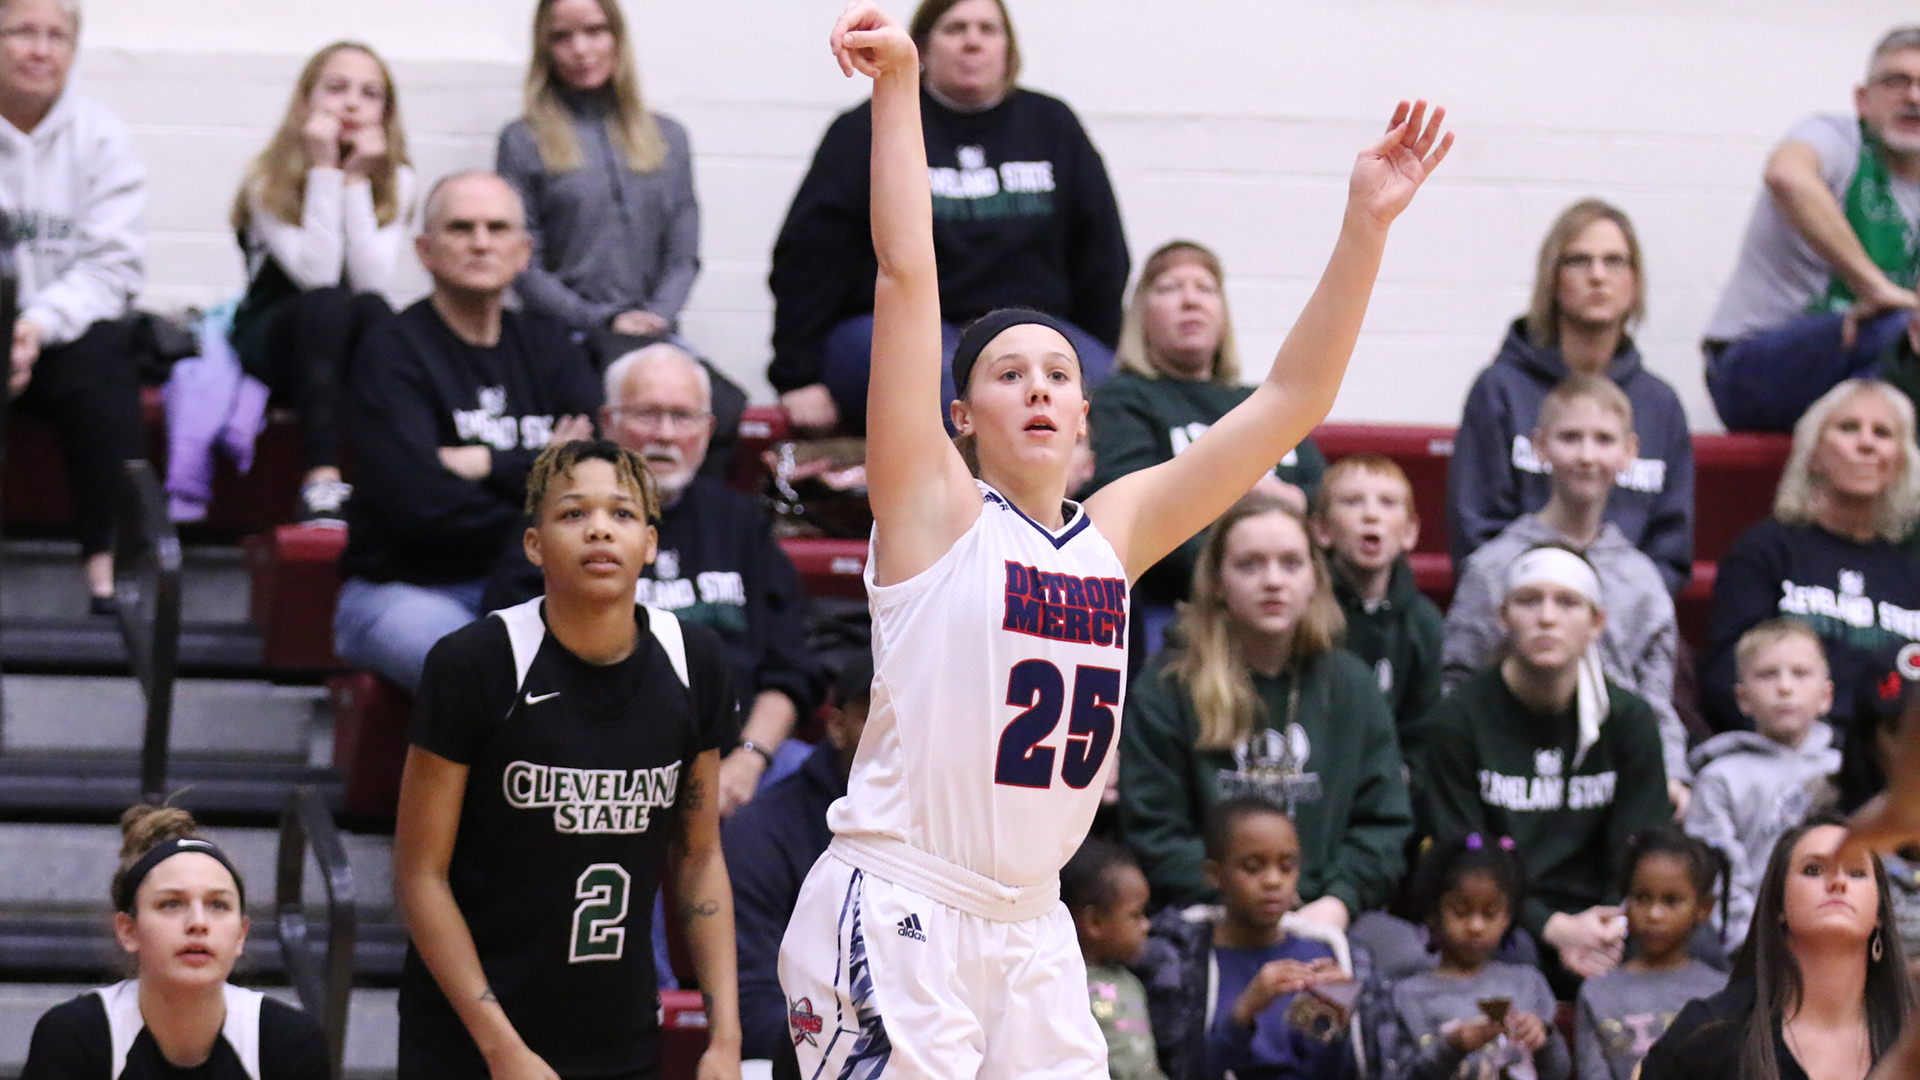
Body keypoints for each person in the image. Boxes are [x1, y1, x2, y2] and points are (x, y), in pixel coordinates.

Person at [775, 5, 1450, 1076]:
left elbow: (1290, 397)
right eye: (1008, 374)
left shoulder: (1117, 533)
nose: (1039, 386)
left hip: (1033, 926)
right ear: (960, 417)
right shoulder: (935, 514)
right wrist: (897, 88)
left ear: (1088, 417)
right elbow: (907, 275)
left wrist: (1365, 227)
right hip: (905, 902)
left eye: (1059, 375)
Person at [392, 440, 741, 1080]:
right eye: (574, 513)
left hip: (619, 1033)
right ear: (533, 545)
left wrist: (725, 1038)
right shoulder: (475, 662)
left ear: (651, 544)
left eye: (623, 514)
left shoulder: (696, 660)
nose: (600, 528)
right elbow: (420, 875)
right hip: (470, 1041)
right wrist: (503, 1050)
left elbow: (698, 856)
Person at [486, 342, 825, 813]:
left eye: (683, 417)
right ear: (608, 423)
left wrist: (748, 761)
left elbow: (791, 667)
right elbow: (515, 663)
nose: (665, 434)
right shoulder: (563, 524)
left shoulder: (740, 522)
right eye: (647, 414)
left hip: (738, 761)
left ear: (708, 431)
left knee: (830, 793)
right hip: (596, 769)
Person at [766, 0, 1131, 434]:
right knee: (955, 389)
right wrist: (798, 375)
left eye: (987, 30)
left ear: (1008, 49)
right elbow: (808, 257)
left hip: (1030, 326)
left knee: (1114, 400)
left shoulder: (1053, 125)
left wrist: (1087, 350)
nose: (973, 42)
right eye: (955, 29)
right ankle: (985, 500)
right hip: (895, 330)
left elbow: (1103, 256)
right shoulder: (867, 128)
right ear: (920, 46)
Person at [332, 171, 600, 693]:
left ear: (523, 252)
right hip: (409, 592)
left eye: (497, 228)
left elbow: (593, 475)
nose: (481, 242)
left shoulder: (554, 349)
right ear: (425, 250)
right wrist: (541, 477)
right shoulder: (391, 352)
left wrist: (486, 464)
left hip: (534, 588)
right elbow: (420, 505)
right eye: (461, 228)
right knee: (494, 677)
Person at [1119, 493, 1413, 924]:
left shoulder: (1352, 685)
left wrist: (1338, 901)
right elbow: (1154, 832)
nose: (1273, 581)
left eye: (1291, 563)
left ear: (1315, 577)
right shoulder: (1167, 687)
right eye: (1250, 564)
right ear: (1217, 581)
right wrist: (1248, 899)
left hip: (1328, 913)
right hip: (1205, 913)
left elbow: (1384, 825)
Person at [1416, 546, 1672, 990]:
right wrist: (1552, 926)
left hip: (1607, 919)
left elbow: (1641, 849)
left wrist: (1608, 927)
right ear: (1502, 617)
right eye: (1529, 600)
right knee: (1508, 958)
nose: (1547, 617)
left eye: (1567, 602)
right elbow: (1459, 849)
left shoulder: (1629, 719)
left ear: (1597, 623)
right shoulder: (1458, 719)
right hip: (1497, 914)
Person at [1443, 375, 1689, 806]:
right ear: (1540, 447)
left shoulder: (1642, 581)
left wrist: (1669, 776)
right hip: (1510, 777)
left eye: (1603, 439)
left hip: (1613, 776)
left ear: (1629, 452)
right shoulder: (1493, 567)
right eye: (1571, 437)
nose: (1587, 455)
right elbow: (1458, 681)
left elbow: (1656, 701)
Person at [1087, 240, 1328, 645]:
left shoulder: (1259, 400)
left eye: (1205, 288)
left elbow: (1322, 496)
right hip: (1184, 609)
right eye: (1168, 288)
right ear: (1140, 315)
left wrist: (1279, 507)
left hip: (1289, 604)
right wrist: (1245, 512)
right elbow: (1135, 513)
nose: (1190, 301)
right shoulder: (1124, 398)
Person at [1448, 199, 1694, 594]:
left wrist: (1605, 609)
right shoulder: (1500, 391)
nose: (1597, 276)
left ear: (1635, 281)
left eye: (1614, 261)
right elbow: (1477, 536)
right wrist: (1553, 610)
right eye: (1579, 261)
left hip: (1624, 625)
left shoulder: (1660, 405)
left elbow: (1671, 554)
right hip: (1520, 617)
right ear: (1552, 278)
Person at [0, 0, 146, 614]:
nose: (41, 50)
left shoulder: (103, 137)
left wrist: (34, 326)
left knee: (105, 363)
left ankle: (107, 563)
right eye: (22, 32)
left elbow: (113, 268)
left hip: (62, 332)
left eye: (57, 35)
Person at [229, 41, 413, 527]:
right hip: (279, 333)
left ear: (386, 111)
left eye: (369, 94)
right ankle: (321, 480)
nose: (352, 104)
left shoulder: (399, 179)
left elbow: (370, 280)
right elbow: (319, 275)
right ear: (306, 100)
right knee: (327, 305)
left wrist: (357, 180)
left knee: (378, 313)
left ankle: (390, 475)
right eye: (336, 89)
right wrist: (325, 170)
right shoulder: (267, 177)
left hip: (346, 332)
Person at [1703, 28, 1920, 434]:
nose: (1914, 98)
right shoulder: (1836, 138)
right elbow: (1787, 175)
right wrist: (1874, 287)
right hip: (1754, 367)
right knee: (1898, 330)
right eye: (1896, 82)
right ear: (1862, 100)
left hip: (1872, 365)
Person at [20, 804, 328, 1079]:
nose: (198, 922)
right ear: (128, 931)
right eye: (171, 904)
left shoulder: (289, 1040)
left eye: (217, 905)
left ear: (240, 936)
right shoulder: (74, 1036)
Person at [1701, 377, 1920, 732]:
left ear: (1898, 463)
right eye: (1849, 428)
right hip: (1785, 753)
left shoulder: (1911, 575)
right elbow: (1729, 675)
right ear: (1814, 454)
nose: (1866, 443)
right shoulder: (1763, 552)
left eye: (1882, 433)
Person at [1641, 818, 1913, 1080]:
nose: (1838, 881)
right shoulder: (1709, 1032)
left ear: (1879, 911)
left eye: (1856, 872)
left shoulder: (1913, 1031)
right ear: (1779, 904)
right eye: (1814, 870)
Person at [1136, 798, 1356, 1080]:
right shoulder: (1181, 960)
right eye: (1253, 867)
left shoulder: (1320, 953)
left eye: (1287, 867)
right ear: (1215, 875)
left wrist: (1337, 1027)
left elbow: (1332, 1072)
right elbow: (1178, 1072)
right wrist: (1241, 1016)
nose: (1273, 881)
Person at [723, 655, 869, 1071]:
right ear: (836, 725)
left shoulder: (962, 828)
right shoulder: (761, 831)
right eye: (878, 715)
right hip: (799, 1057)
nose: (898, 735)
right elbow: (750, 1004)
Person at [1684, 619, 1840, 948]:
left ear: (1826, 696)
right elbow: (1718, 878)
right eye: (1768, 674)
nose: (1784, 687)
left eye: (1800, 673)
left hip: (1841, 942)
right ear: (1742, 698)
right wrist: (1757, 948)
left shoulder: (1845, 772)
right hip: (1750, 951)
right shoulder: (1720, 778)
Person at [1381, 834, 1570, 1080]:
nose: (1476, 926)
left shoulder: (1528, 984)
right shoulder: (1408, 995)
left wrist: (1545, 1041)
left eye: (1490, 914)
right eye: (1461, 912)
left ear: (1509, 918)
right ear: (1433, 913)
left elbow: (1559, 1073)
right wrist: (1452, 1046)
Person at [1574, 827, 1730, 1080]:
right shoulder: (1597, 994)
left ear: (1703, 908)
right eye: (1641, 898)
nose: (1654, 914)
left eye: (1671, 901)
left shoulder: (1722, 993)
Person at [1308, 454, 1443, 738]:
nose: (1371, 514)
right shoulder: (1304, 612)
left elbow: (1424, 728)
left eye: (1388, 503)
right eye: (1352, 501)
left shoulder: (1424, 622)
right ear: (1321, 529)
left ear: (1409, 532)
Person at [1061, 839, 1166, 1080]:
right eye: (1136, 915)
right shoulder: (1065, 985)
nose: (1146, 925)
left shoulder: (1131, 983)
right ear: (1094, 922)